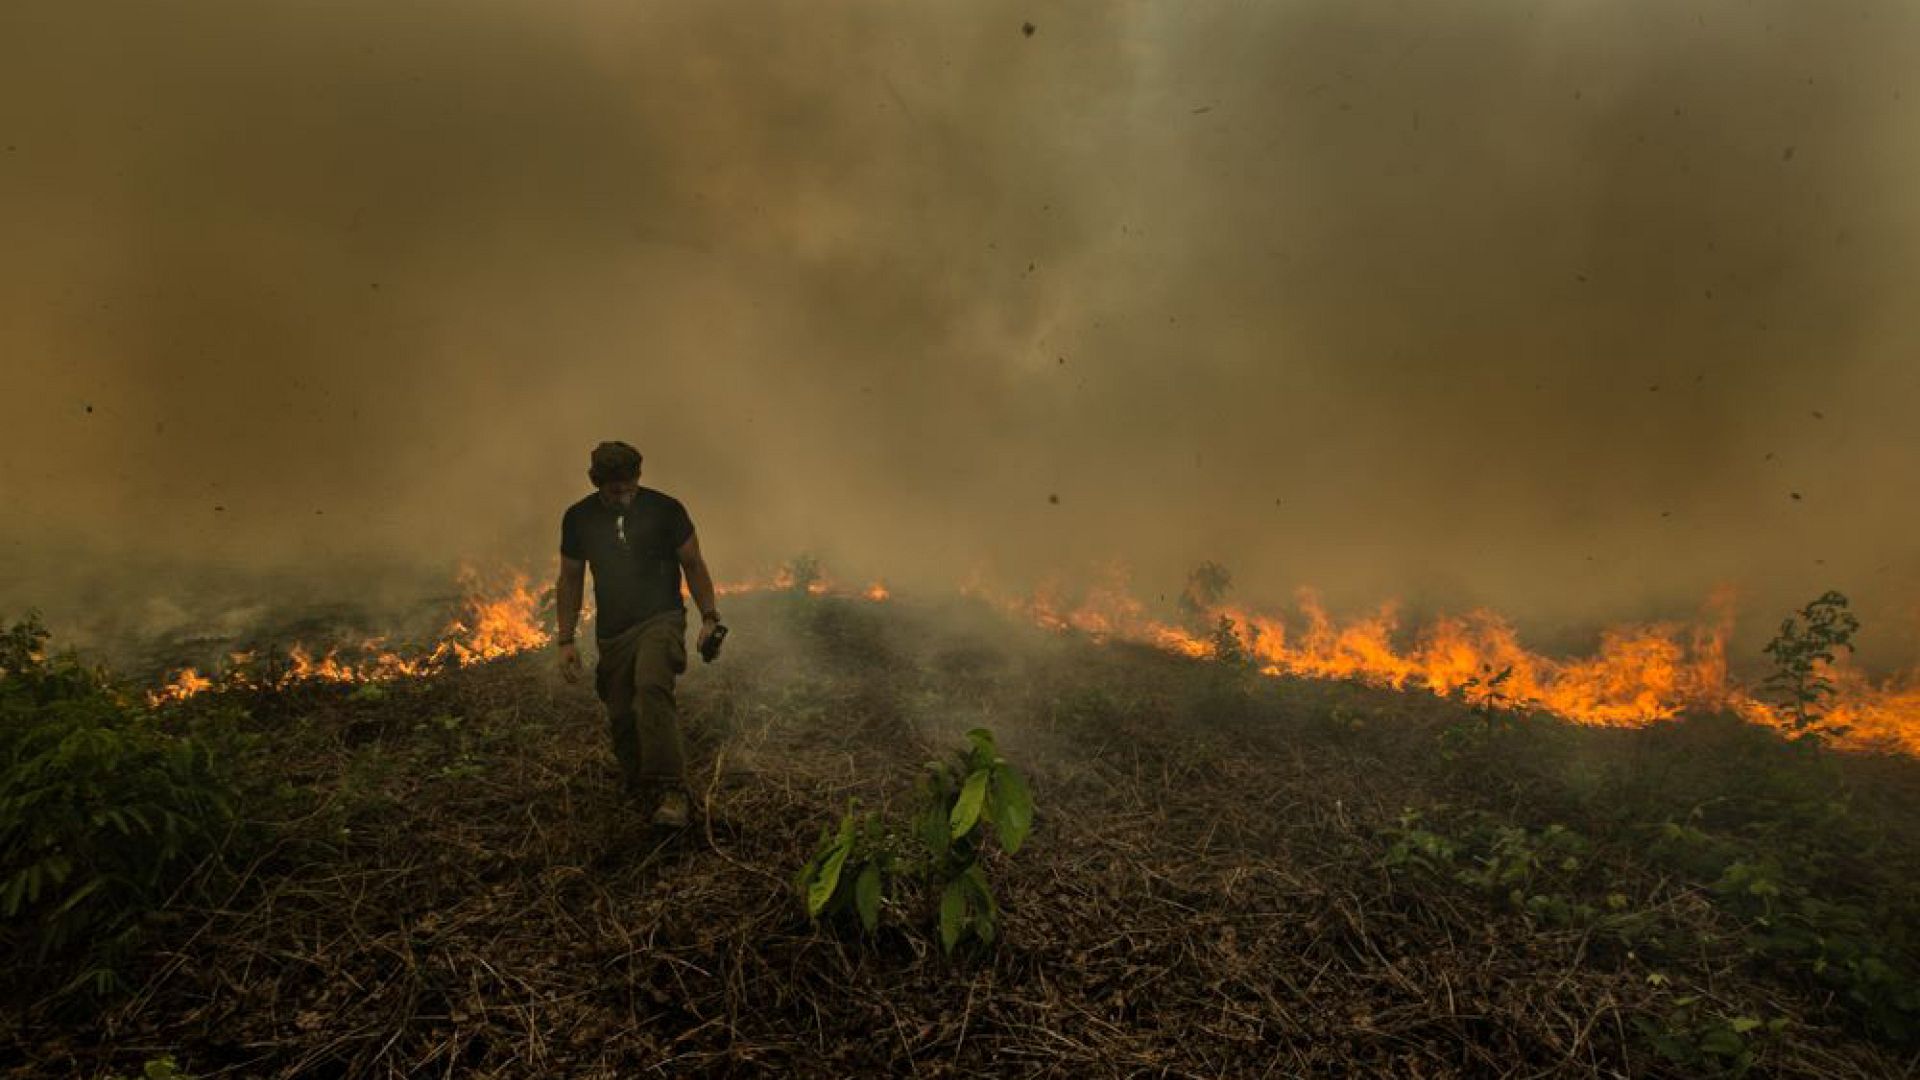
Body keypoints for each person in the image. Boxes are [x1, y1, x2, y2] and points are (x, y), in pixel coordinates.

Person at [554, 441, 722, 828]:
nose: (625, 496)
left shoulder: (666, 510)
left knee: (651, 687)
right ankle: (638, 782)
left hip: (661, 618)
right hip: (613, 631)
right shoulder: (578, 519)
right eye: (615, 490)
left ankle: (672, 790)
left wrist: (709, 617)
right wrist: (565, 640)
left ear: (638, 478)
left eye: (630, 486)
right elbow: (570, 579)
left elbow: (693, 564)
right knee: (621, 713)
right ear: (596, 482)